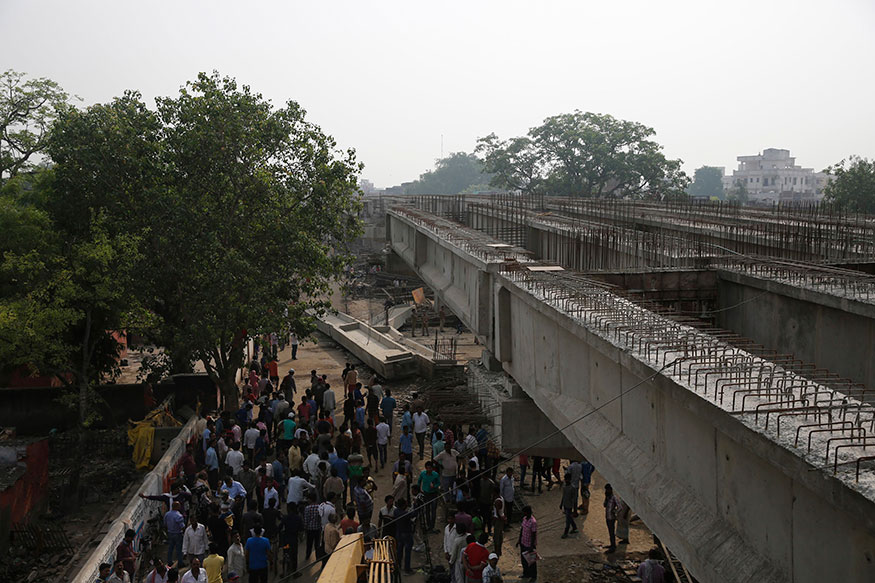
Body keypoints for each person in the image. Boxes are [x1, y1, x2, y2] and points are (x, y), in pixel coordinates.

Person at [394, 497, 416, 574]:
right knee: (407, 552)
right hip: (406, 534)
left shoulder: (396, 511)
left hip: (399, 533)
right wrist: (416, 505)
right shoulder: (405, 514)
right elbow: (414, 514)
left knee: (399, 550)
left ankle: (398, 565)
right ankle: (407, 568)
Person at [418, 461, 441, 532]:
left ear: (432, 468)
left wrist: (434, 486)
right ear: (425, 468)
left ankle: (432, 526)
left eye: (430, 468)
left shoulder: (435, 475)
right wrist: (420, 490)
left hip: (434, 494)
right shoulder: (423, 474)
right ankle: (428, 525)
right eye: (427, 468)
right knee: (427, 510)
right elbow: (419, 481)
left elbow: (439, 483)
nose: (429, 470)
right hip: (426, 494)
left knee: (433, 511)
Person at [516, 505, 537, 581]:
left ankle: (533, 576)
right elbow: (522, 529)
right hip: (523, 542)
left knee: (532, 561)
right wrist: (519, 540)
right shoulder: (524, 519)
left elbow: (534, 534)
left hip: (529, 544)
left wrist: (532, 545)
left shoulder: (533, 522)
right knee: (524, 560)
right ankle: (526, 574)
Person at [164, 502, 186, 567]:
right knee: (179, 549)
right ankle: (180, 563)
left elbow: (165, 524)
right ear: (177, 507)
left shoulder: (167, 514)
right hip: (178, 533)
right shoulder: (178, 516)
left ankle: (169, 561)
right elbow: (182, 526)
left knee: (170, 548)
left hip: (170, 533)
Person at [560, 474, 579, 538]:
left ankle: (566, 533)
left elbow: (574, 499)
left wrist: (574, 509)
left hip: (569, 506)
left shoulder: (572, 488)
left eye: (567, 479)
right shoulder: (565, 487)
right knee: (569, 518)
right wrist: (561, 504)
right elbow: (563, 496)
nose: (566, 481)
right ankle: (574, 527)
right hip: (565, 505)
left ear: (570, 480)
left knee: (568, 520)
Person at [604, 483, 620, 553]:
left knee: (611, 532)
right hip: (607, 516)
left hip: (611, 517)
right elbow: (604, 505)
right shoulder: (608, 497)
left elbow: (620, 507)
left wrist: (615, 511)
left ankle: (613, 546)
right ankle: (612, 544)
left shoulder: (614, 498)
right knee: (610, 532)